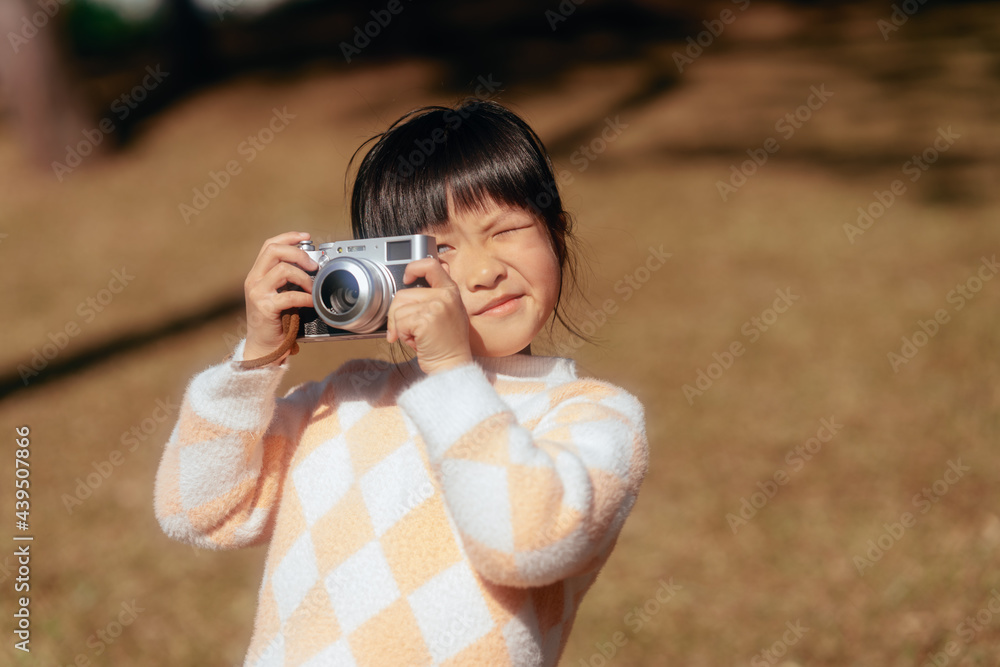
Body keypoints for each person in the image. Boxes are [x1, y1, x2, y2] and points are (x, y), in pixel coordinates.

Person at [154, 99, 649, 667]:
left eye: (507, 229)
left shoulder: (596, 416)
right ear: (385, 270)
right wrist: (256, 362)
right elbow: (201, 510)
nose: (484, 271)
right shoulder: (344, 401)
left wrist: (450, 372)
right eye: (439, 250)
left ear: (557, 228)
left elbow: (527, 543)